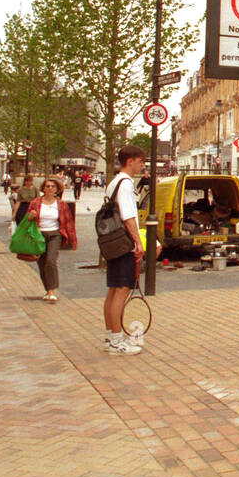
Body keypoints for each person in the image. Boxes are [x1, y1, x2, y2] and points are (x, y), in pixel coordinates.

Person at [103, 146, 145, 355]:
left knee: (113, 289)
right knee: (122, 290)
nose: (142, 165)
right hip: (124, 242)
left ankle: (111, 335)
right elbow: (128, 216)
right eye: (140, 161)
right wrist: (138, 242)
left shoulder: (114, 182)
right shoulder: (126, 184)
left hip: (112, 241)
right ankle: (117, 341)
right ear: (131, 161)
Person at [27, 176, 77, 302]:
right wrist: (31, 216)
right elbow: (26, 220)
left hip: (55, 234)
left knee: (51, 261)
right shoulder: (35, 202)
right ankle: (47, 290)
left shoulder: (61, 204)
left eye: (53, 186)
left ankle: (52, 291)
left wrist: (73, 240)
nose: (50, 188)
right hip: (39, 235)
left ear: (57, 189)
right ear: (43, 188)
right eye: (47, 186)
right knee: (42, 263)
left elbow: (68, 223)